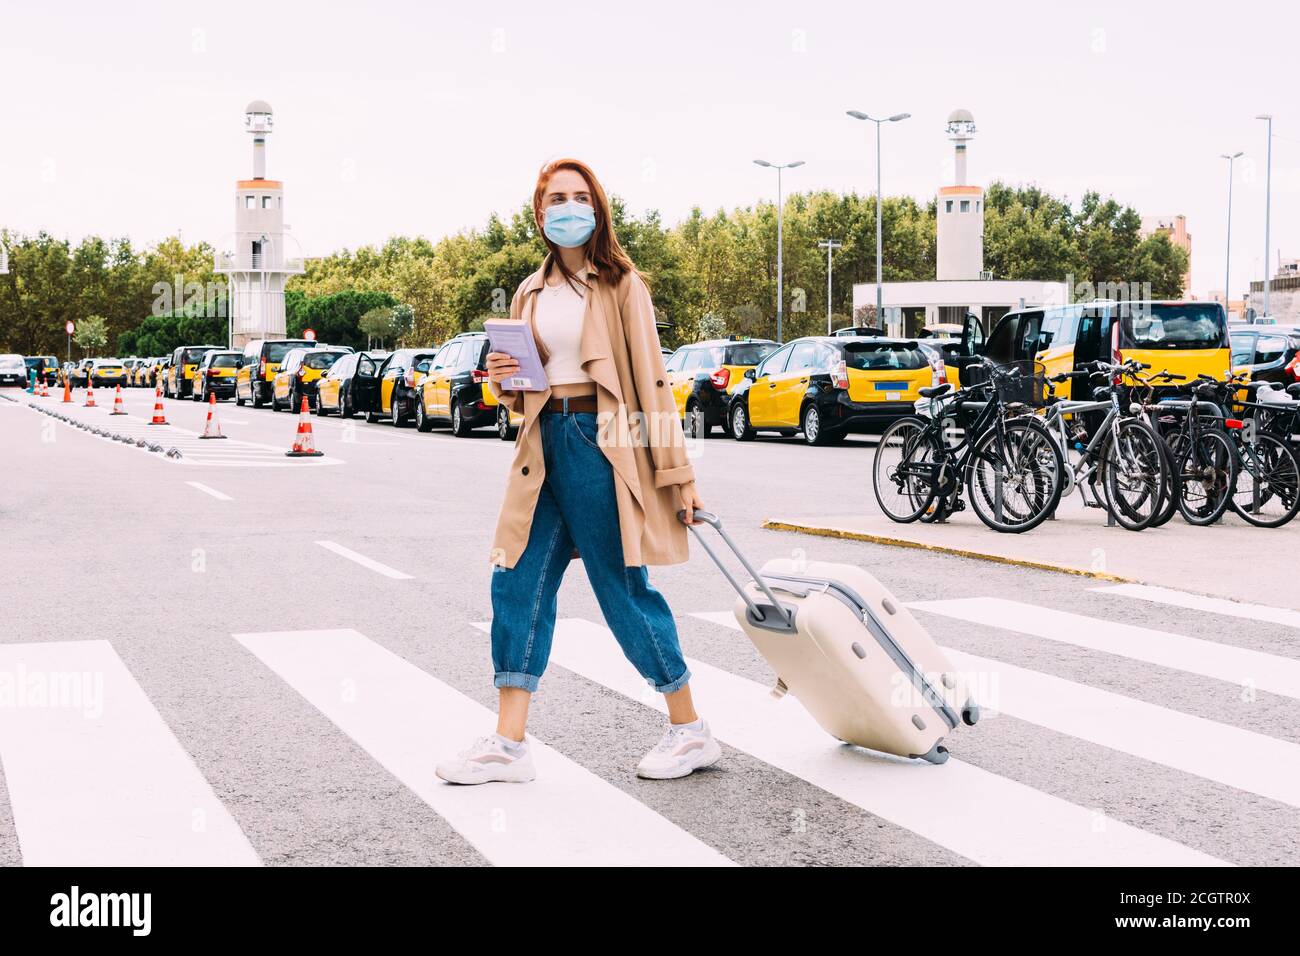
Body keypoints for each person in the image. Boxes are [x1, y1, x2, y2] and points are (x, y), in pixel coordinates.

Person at [436, 158, 720, 785]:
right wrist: (505, 381)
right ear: (540, 214)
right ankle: (509, 745)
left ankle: (689, 728)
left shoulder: (622, 286)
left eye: (579, 196)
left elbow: (651, 383)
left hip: (602, 439)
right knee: (515, 579)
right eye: (556, 198)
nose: (569, 207)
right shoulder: (528, 292)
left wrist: (678, 476)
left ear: (597, 208)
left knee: (621, 585)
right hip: (543, 441)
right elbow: (521, 393)